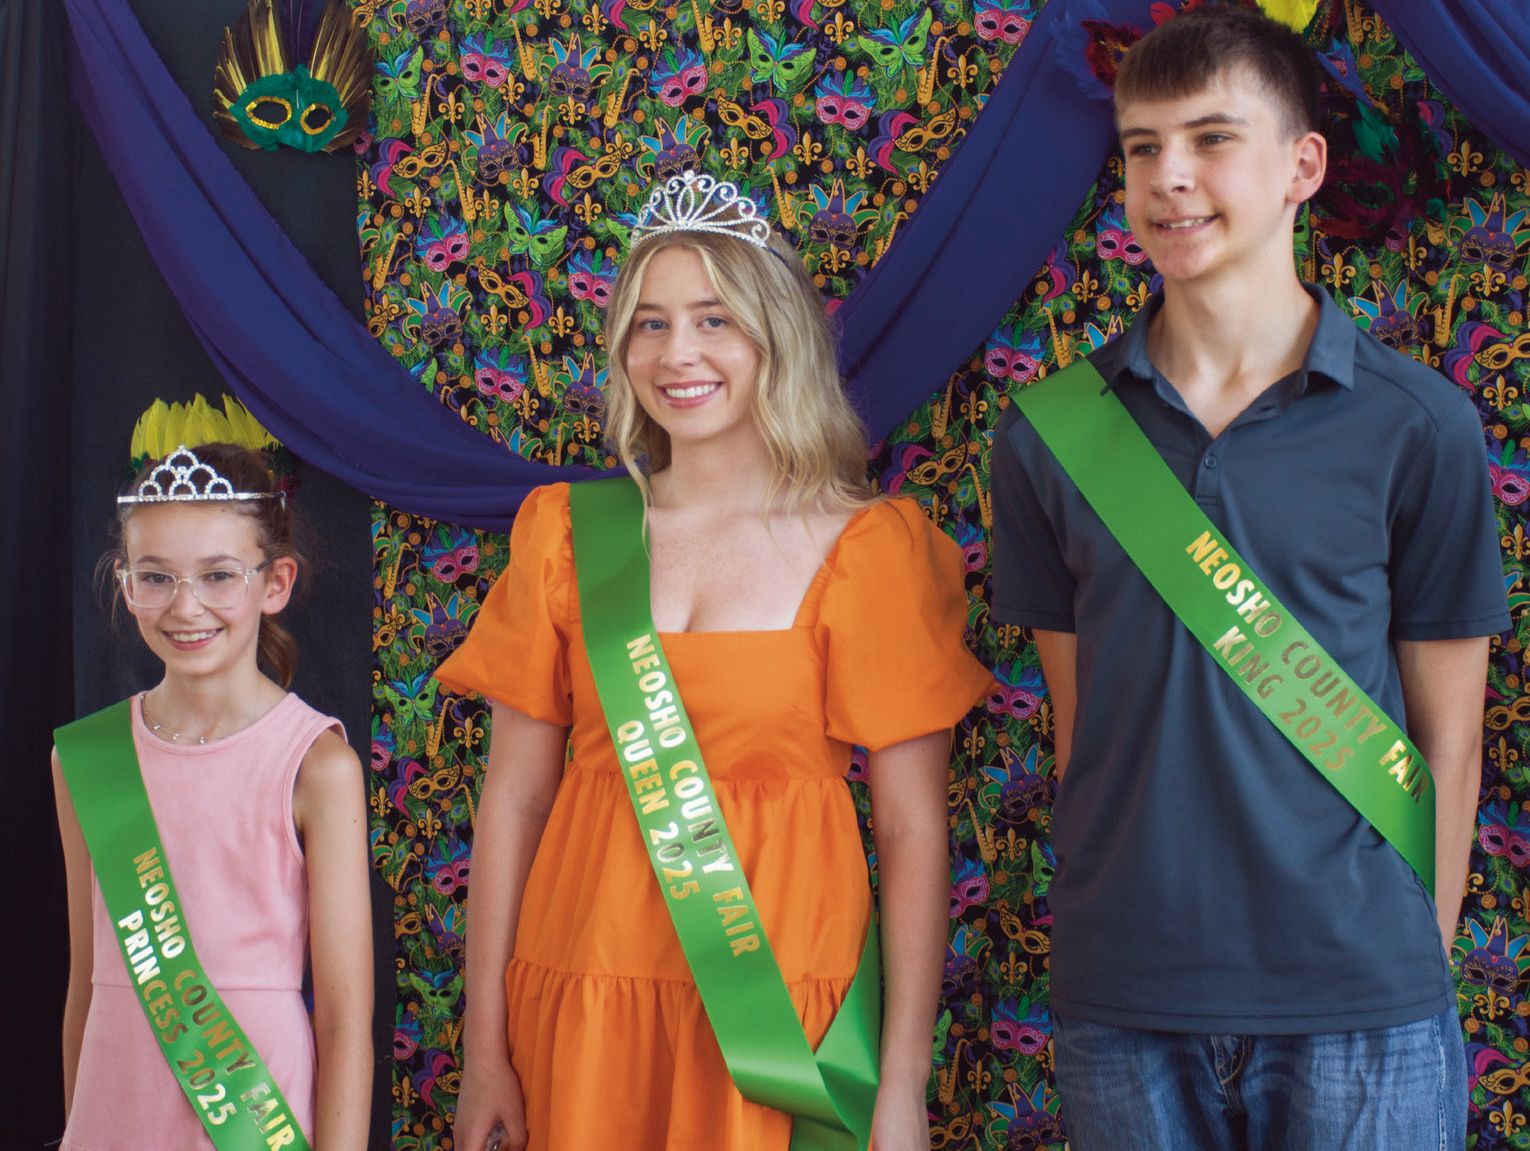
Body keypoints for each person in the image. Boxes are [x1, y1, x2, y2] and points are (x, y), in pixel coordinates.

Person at [991, 7, 1508, 1149]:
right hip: (1125, 997)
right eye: (1141, 147)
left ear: (1302, 166)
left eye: (1211, 138)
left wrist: (1404, 952)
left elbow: (1449, 740)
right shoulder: (1047, 437)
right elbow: (1082, 732)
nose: (1169, 177)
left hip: (1360, 1006)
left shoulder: (1422, 426)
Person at [438, 171, 992, 1151]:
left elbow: (910, 827)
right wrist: (486, 1049)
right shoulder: (568, 534)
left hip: (776, 1013)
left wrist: (902, 1078)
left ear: (775, 336)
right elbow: (514, 801)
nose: (677, 353)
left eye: (713, 319)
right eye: (648, 324)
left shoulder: (869, 547)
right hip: (582, 986)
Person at [53, 439, 374, 1150]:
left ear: (276, 581)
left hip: (254, 1119)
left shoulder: (317, 764)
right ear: (125, 582)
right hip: (115, 1109)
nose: (186, 605)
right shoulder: (84, 758)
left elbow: (347, 1021)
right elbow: (86, 982)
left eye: (219, 574)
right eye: (157, 576)